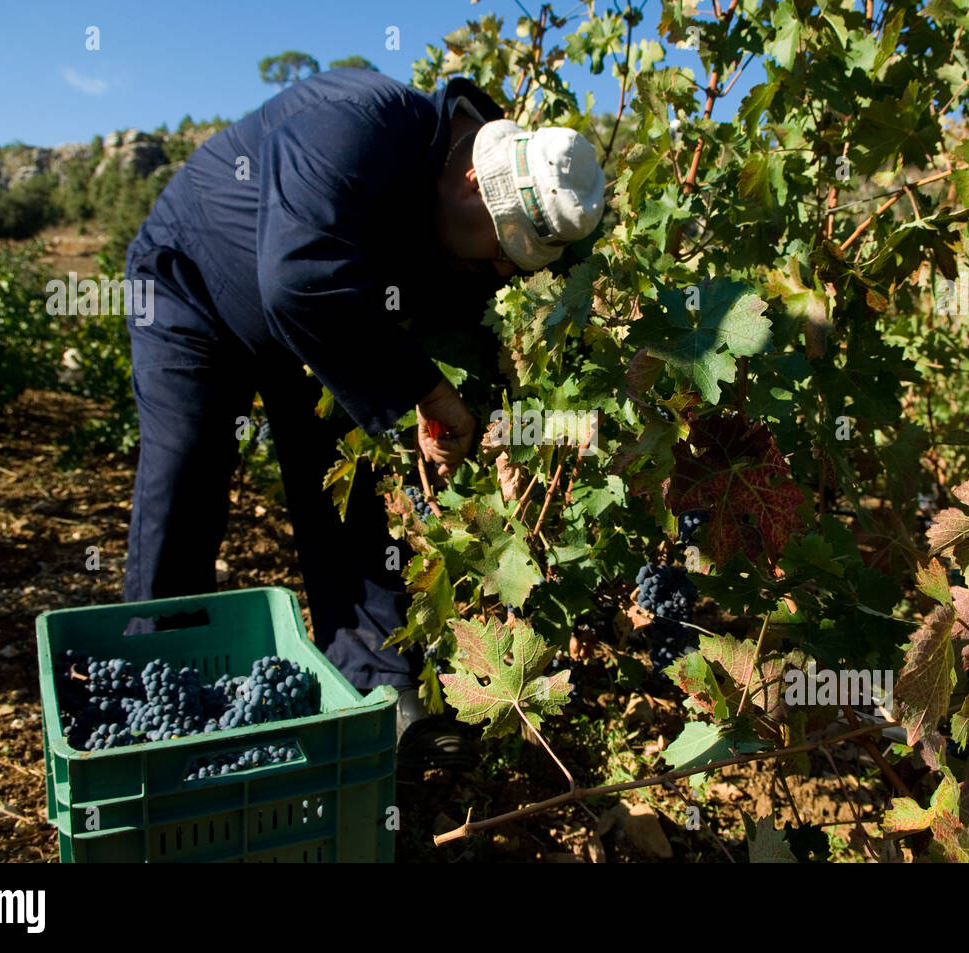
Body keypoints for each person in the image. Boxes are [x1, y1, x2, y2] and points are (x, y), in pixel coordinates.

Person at [120, 67, 605, 767]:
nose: (501, 270)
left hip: (317, 324)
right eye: (501, 254)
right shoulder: (357, 125)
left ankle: (379, 694)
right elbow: (297, 278)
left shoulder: (482, 217)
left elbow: (470, 335)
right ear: (473, 183)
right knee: (188, 470)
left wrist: (505, 428)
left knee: (345, 490)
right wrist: (427, 392)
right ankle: (151, 695)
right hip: (193, 283)